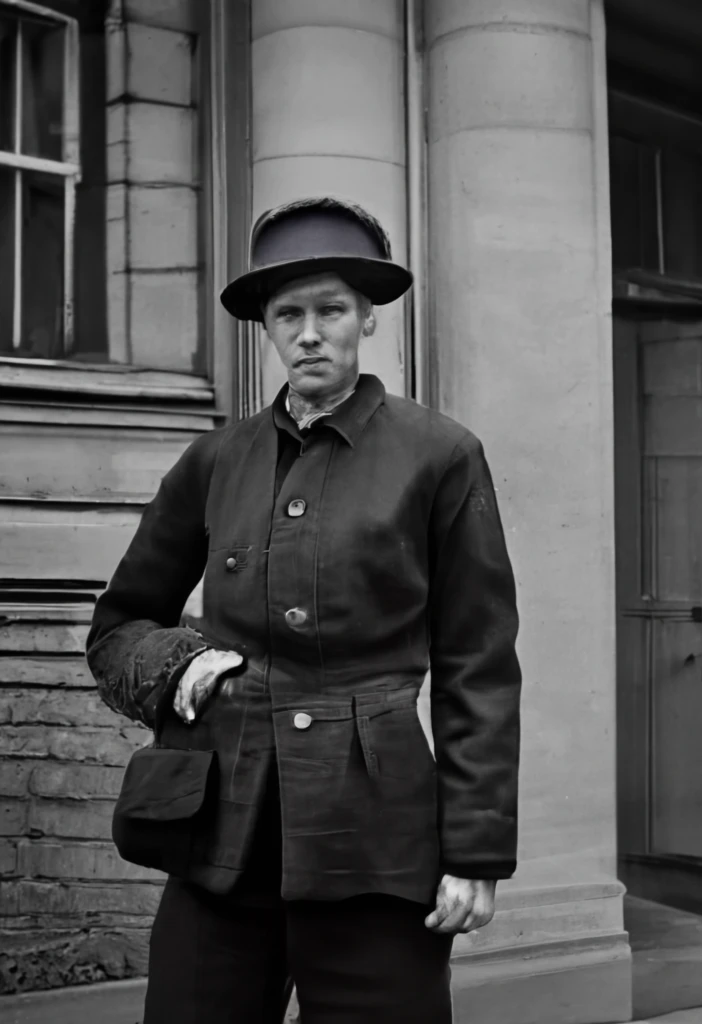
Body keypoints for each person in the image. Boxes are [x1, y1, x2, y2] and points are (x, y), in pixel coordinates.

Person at [86, 196, 522, 1024]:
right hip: (220, 839)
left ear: (366, 319)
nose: (310, 332)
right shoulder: (215, 459)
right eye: (290, 314)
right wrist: (183, 665)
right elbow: (118, 626)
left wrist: (475, 851)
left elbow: (479, 664)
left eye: (330, 310)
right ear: (267, 328)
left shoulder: (441, 455)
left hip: (376, 847)